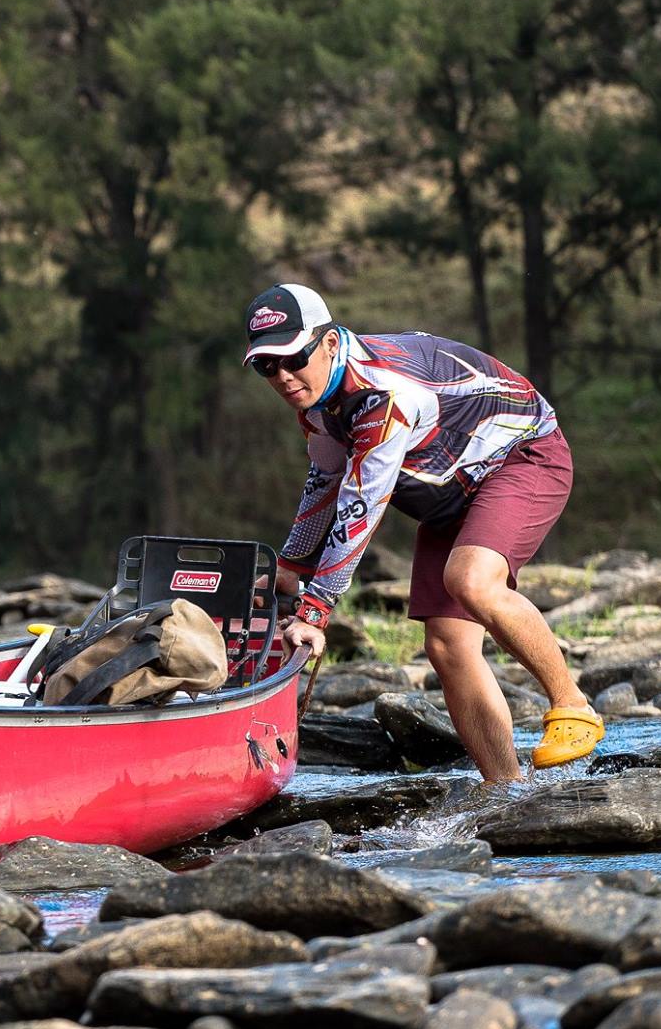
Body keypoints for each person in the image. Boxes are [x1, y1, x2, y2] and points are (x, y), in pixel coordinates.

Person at [243, 283, 600, 781]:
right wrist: (291, 566)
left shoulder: (382, 393)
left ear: (327, 343)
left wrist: (316, 610)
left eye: (293, 357)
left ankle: (573, 707)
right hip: (450, 488)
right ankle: (507, 791)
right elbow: (325, 482)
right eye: (266, 366)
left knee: (472, 580)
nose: (282, 375)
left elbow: (362, 500)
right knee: (448, 644)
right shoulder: (319, 401)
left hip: (521, 456)